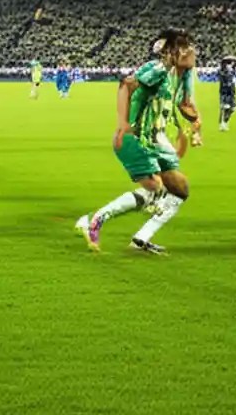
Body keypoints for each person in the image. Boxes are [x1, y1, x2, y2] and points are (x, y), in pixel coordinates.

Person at [74, 29, 198, 255]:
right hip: (137, 138)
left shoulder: (180, 75)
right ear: (173, 51)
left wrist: (194, 123)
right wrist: (122, 123)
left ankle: (140, 239)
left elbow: (182, 104)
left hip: (157, 139)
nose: (193, 51)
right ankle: (94, 221)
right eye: (187, 46)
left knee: (179, 190)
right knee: (156, 190)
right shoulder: (158, 70)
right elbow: (126, 85)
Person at [217, 56, 236, 132]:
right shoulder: (222, 71)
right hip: (224, 91)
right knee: (224, 107)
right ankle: (222, 123)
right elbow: (224, 59)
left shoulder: (233, 71)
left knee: (233, 108)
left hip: (232, 92)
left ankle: (224, 122)